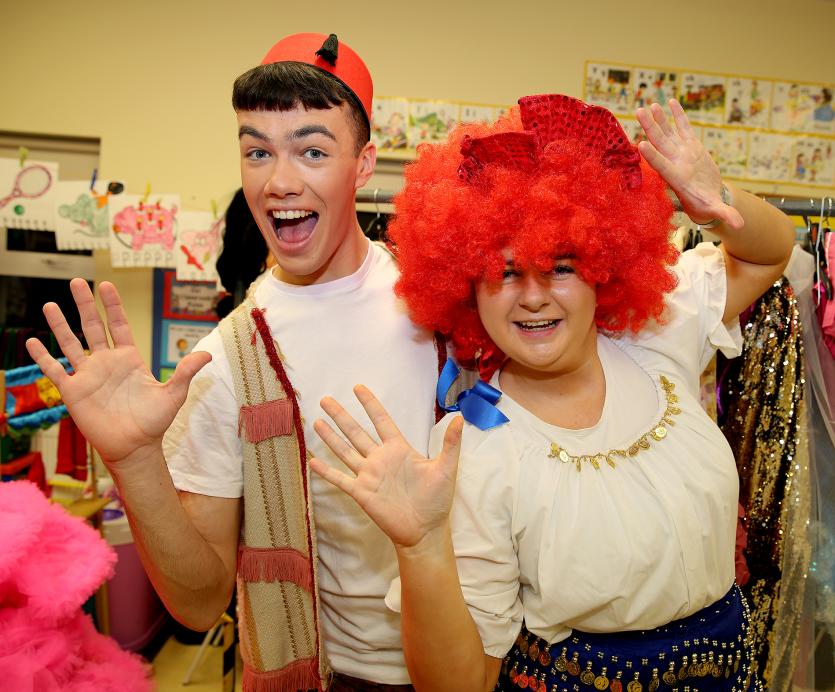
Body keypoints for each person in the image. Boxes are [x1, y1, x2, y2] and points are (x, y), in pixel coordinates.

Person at [309, 95, 795, 691]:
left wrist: (712, 203)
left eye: (560, 266)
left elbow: (773, 251)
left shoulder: (659, 334)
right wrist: (421, 547)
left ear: (601, 268)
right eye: (507, 271)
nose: (534, 297)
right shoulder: (474, 446)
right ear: (467, 287)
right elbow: (458, 683)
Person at [25, 33, 440, 691]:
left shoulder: (443, 302)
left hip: (484, 658)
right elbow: (196, 600)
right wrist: (135, 462)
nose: (279, 182)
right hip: (326, 676)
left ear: (362, 165)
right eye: (257, 151)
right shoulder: (227, 358)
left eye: (311, 150)